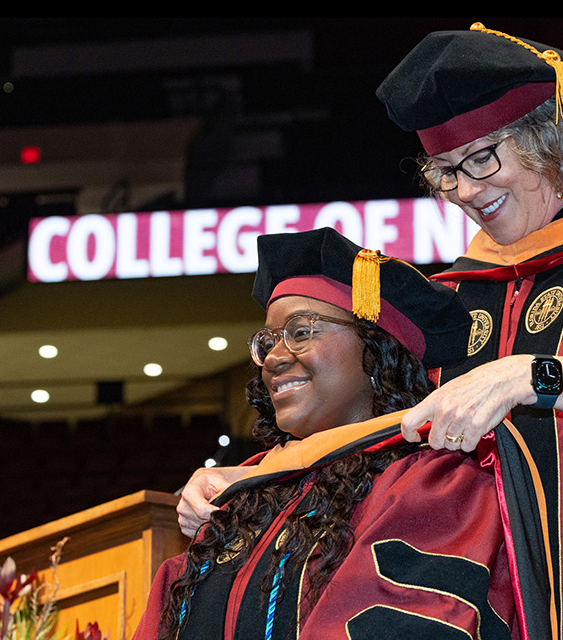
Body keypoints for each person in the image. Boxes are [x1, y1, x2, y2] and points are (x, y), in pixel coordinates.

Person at [181, 22, 563, 640]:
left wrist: (527, 376)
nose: (465, 190)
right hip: (497, 607)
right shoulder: (460, 297)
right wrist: (254, 478)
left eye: (482, 159)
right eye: (445, 171)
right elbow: (385, 434)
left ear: (548, 140)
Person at [133, 227, 518, 640]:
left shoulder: (436, 483)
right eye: (267, 342)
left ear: (376, 351)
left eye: (301, 332)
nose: (274, 358)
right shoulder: (250, 501)